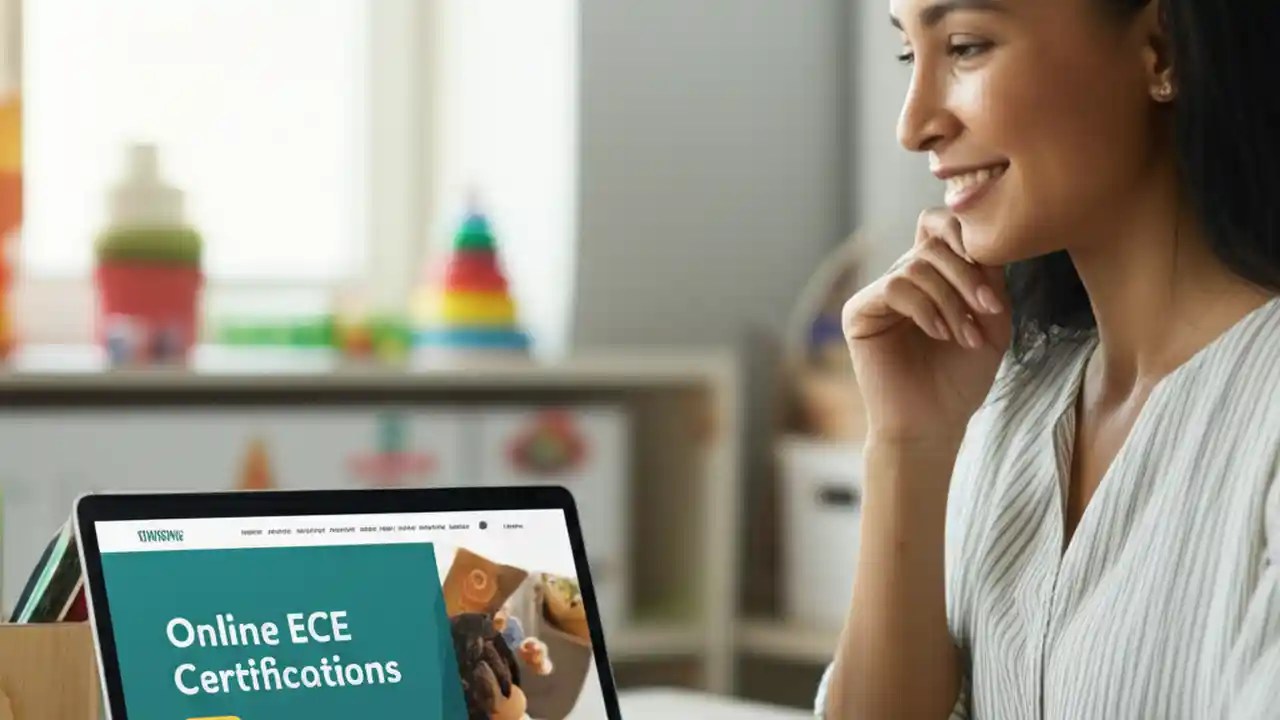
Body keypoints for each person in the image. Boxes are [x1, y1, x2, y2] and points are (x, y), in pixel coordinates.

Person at [817, 0, 1280, 717]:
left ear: (1161, 49)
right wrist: (910, 444)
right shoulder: (1013, 398)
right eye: (911, 55)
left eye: (966, 47)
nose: (914, 126)